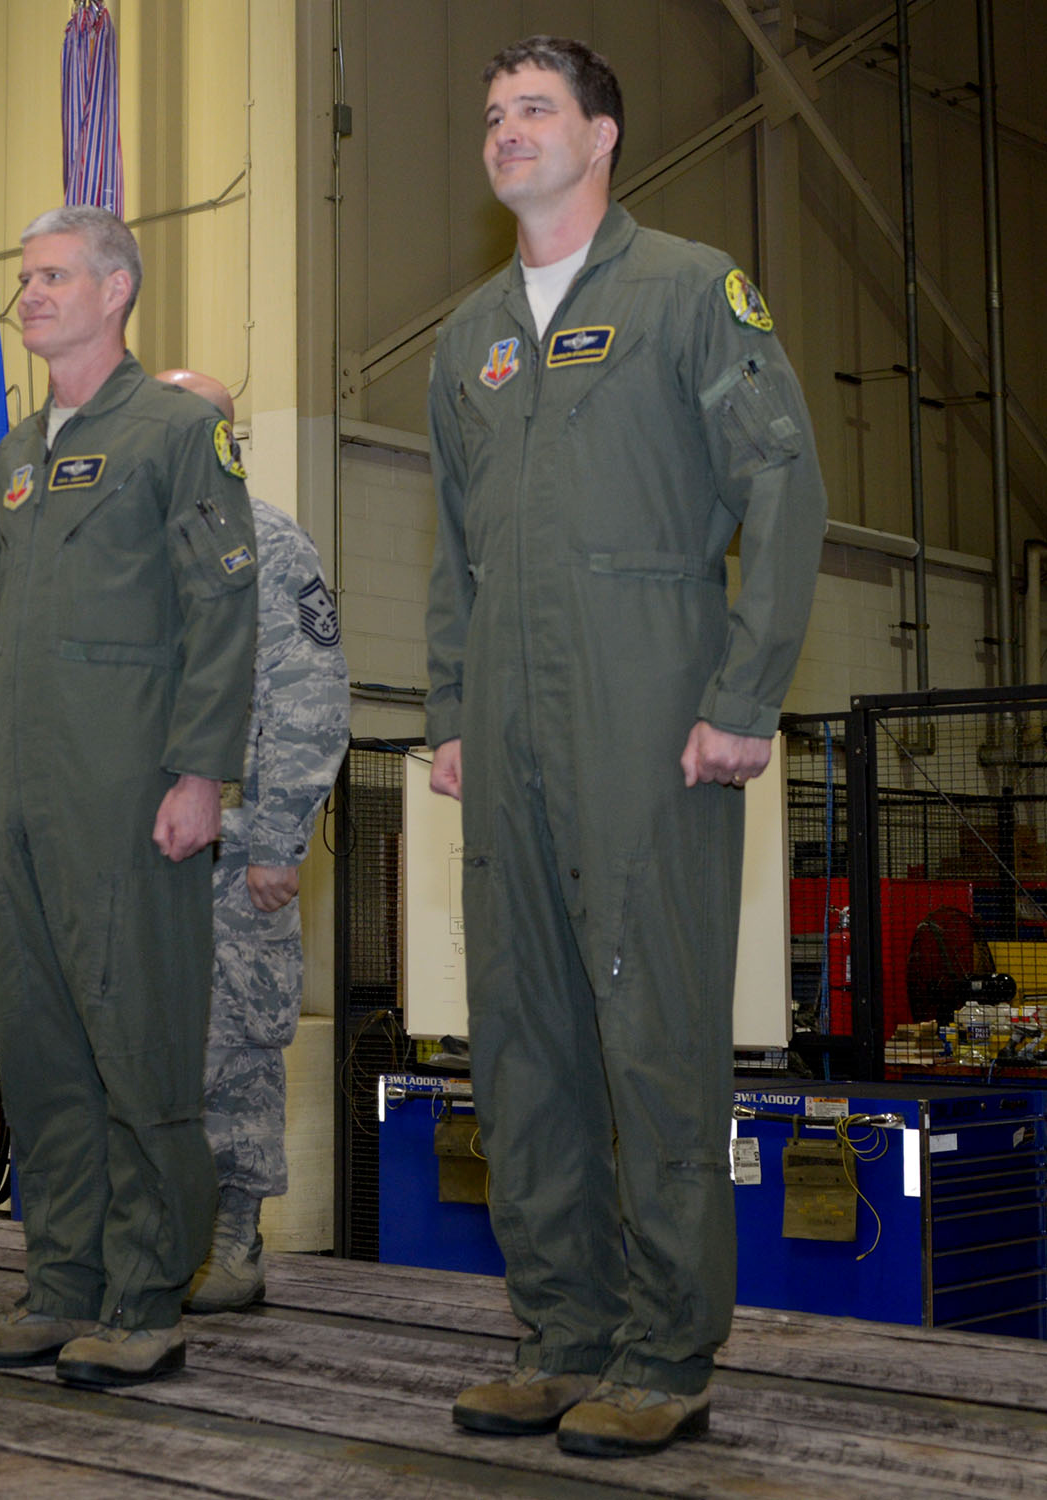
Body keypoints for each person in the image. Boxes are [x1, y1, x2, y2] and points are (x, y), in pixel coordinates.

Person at [424, 36, 825, 1456]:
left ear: (602, 136)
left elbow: (780, 486)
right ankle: (561, 1334)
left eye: (535, 108)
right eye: (492, 112)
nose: (507, 129)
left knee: (652, 1037)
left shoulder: (687, 292)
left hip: (652, 705)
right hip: (509, 725)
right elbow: (455, 552)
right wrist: (453, 713)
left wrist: (743, 692)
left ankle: (665, 1349)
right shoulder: (467, 332)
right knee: (523, 1038)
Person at [0, 206, 259, 1388]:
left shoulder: (178, 432)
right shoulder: (16, 455)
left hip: (129, 793)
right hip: (23, 796)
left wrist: (199, 771)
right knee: (41, 1052)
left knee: (138, 1050)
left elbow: (224, 607)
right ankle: (61, 1282)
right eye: (24, 278)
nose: (30, 295)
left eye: (54, 276)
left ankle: (145, 1295)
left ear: (117, 287)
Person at [154, 369, 352, 1315]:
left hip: (236, 850)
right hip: (132, 848)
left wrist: (278, 837)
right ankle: (155, 1229)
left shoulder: (269, 540)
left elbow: (310, 699)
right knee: (144, 1043)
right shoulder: (120, 541)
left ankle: (231, 1239)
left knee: (234, 1043)